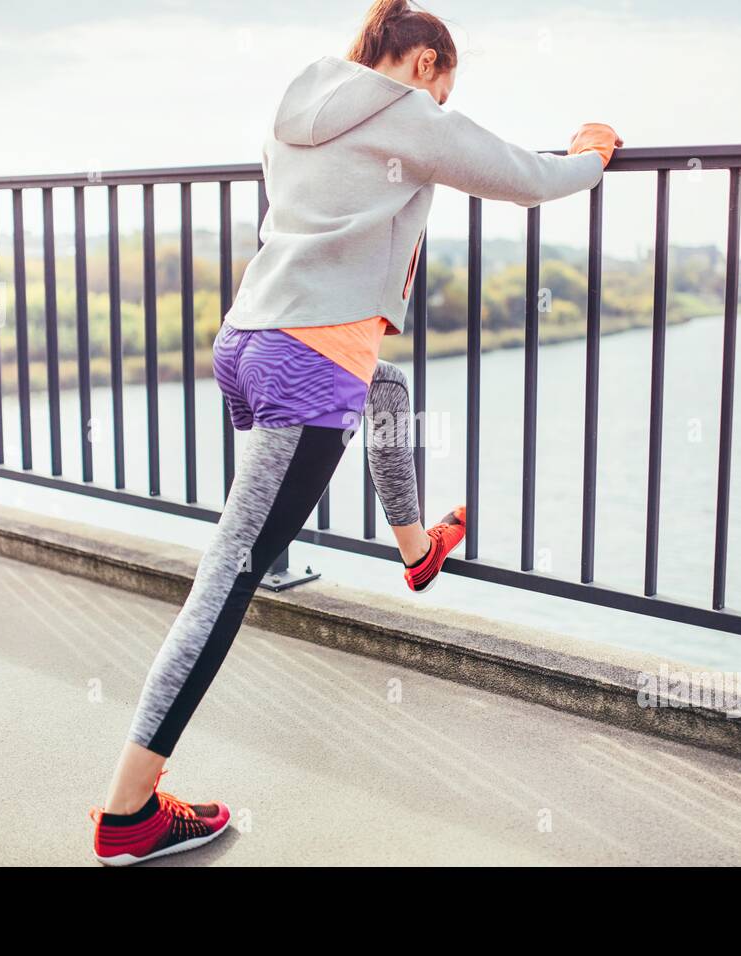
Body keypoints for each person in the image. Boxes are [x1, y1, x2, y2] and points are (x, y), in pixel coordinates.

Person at [89, 0, 622, 865]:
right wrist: (592, 154)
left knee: (388, 387)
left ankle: (413, 547)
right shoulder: (409, 113)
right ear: (423, 65)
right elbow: (527, 178)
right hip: (308, 359)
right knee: (227, 577)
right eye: (445, 90)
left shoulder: (300, 104)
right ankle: (128, 813)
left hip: (251, 337)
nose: (442, 110)